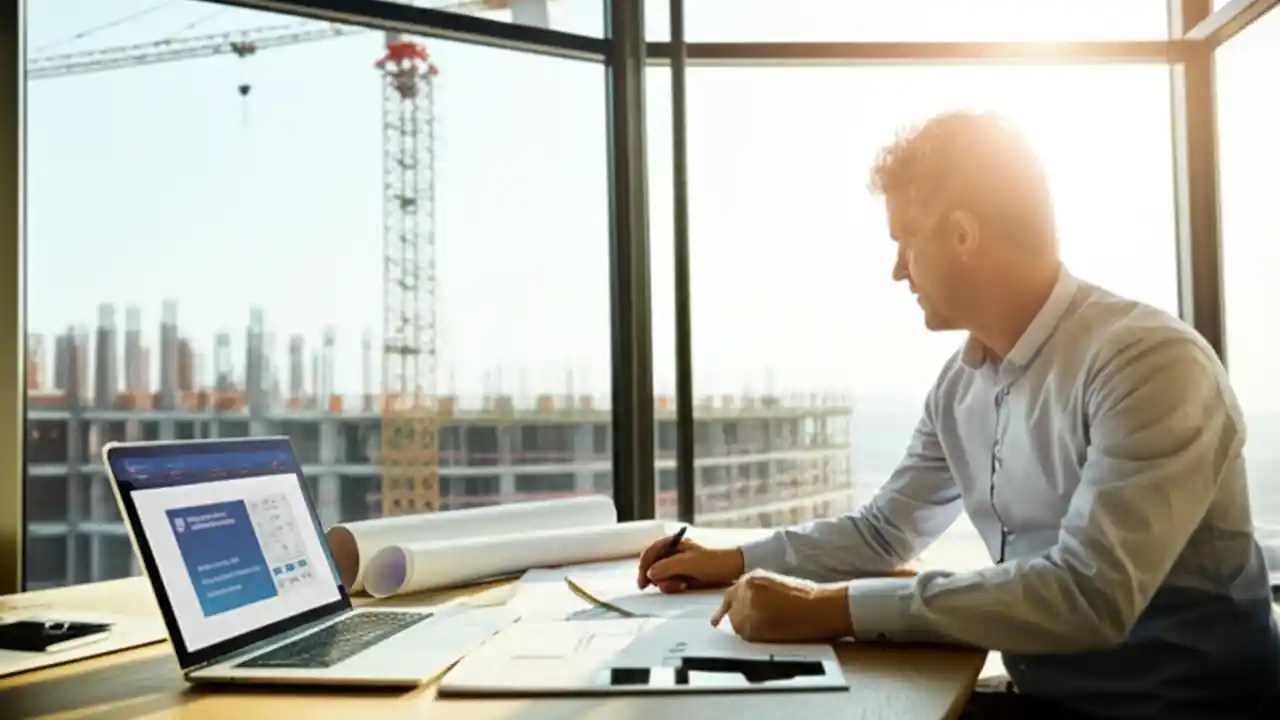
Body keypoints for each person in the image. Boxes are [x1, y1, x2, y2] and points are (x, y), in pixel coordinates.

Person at [637, 110, 1280, 718]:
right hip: (1046, 696)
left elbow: (1090, 595)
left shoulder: (1148, 364)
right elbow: (884, 532)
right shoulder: (960, 386)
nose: (896, 271)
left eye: (904, 242)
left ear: (964, 234)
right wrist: (735, 559)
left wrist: (831, 608)